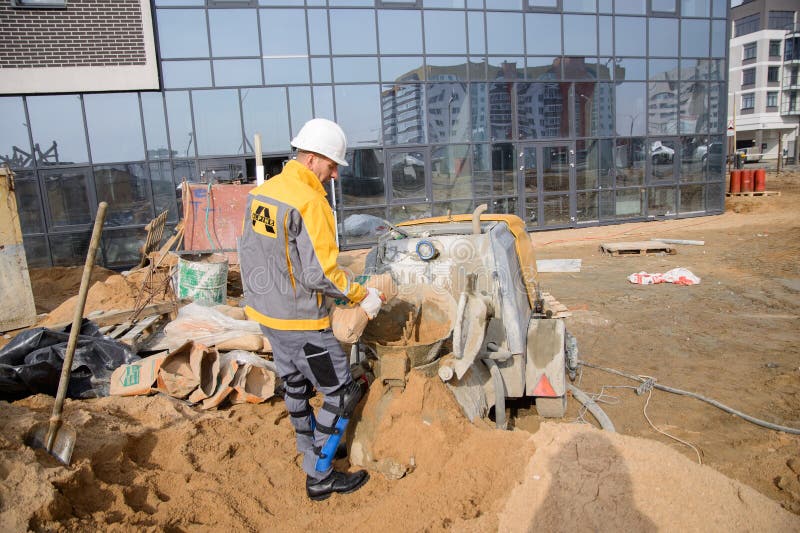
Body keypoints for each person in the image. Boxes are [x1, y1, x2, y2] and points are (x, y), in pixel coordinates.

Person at [239, 118, 384, 501]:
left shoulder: (265, 193)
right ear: (313, 157)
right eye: (332, 165)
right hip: (302, 322)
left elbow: (254, 255)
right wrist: (359, 294)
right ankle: (320, 476)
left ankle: (311, 449)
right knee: (340, 393)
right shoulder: (310, 202)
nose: (334, 175)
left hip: (269, 316)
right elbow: (320, 273)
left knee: (296, 386)